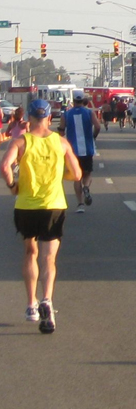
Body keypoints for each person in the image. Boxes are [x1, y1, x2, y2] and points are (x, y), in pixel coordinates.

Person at [3, 99, 82, 334]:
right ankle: (47, 299)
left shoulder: (21, 142)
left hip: (26, 206)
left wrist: (13, 185)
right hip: (53, 205)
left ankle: (31, 305)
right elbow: (77, 174)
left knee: (30, 252)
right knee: (49, 258)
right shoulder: (61, 143)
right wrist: (60, 175)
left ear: (29, 117)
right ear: (49, 117)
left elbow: (5, 166)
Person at [59, 91, 100, 215]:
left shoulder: (66, 114)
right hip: (87, 148)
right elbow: (97, 126)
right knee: (87, 174)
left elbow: (61, 131)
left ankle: (80, 204)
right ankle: (86, 187)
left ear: (73, 100)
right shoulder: (89, 112)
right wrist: (93, 136)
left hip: (72, 151)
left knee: (77, 177)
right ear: (83, 100)